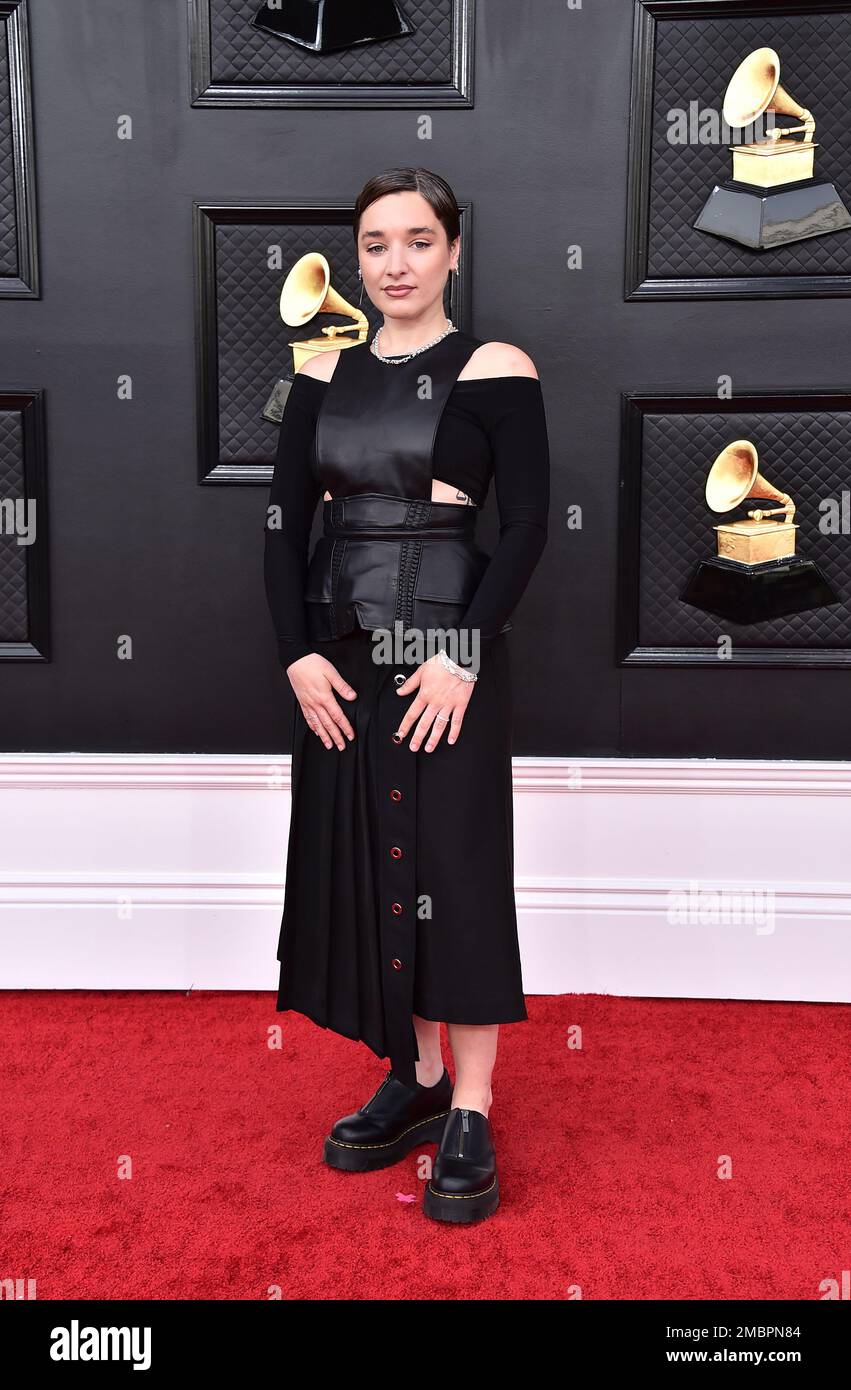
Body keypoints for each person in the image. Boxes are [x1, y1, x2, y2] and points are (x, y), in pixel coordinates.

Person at [264, 166, 550, 1224]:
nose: (396, 262)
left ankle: (470, 1101)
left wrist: (462, 651)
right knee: (370, 863)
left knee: (451, 864)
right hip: (339, 647)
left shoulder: (494, 365)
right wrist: (295, 653)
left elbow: (521, 525)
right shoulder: (320, 370)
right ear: (357, 256)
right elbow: (283, 524)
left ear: (453, 252)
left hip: (443, 642)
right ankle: (417, 1077)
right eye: (377, 243)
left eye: (418, 241)